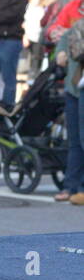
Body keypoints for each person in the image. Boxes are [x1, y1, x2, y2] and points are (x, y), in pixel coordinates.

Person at [55, 25, 84, 203]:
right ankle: (70, 186)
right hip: (74, 88)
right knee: (74, 141)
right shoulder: (77, 26)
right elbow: (62, 43)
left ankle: (80, 188)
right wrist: (60, 52)